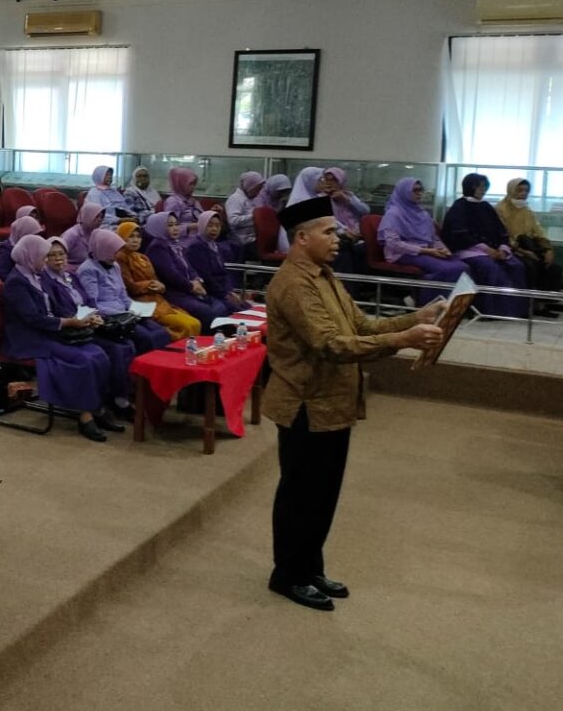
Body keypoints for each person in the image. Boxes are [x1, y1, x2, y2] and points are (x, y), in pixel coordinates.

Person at [263, 196, 444, 611]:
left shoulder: (324, 276)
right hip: (306, 404)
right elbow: (330, 344)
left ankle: (309, 567)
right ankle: (286, 574)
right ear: (302, 237)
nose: (339, 237)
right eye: (329, 231)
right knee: (300, 495)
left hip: (333, 402)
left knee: (324, 494)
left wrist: (414, 320)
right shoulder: (292, 283)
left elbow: (361, 326)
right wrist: (403, 341)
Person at [1, 234, 121, 442]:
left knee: (98, 354)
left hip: (51, 330)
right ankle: (85, 416)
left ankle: (97, 407)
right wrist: (67, 323)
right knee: (82, 360)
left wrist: (80, 318)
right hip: (30, 337)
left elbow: (55, 307)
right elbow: (32, 319)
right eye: (43, 256)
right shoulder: (16, 282)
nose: (45, 260)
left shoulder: (35, 276)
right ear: (30, 256)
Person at [43, 236, 136, 417]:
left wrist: (94, 315)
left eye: (61, 254)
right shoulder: (46, 281)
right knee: (115, 348)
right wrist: (87, 317)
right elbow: (60, 310)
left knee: (128, 344)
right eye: (51, 255)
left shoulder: (70, 275)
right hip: (72, 330)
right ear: (43, 258)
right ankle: (114, 401)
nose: (58, 258)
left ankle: (120, 395)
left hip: (88, 323)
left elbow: (87, 300)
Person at [442, 173, 529, 318]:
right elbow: (460, 235)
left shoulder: (486, 206)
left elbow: (501, 231)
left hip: (493, 250)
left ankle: (516, 310)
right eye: (480, 187)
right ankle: (490, 311)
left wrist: (502, 247)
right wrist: (486, 249)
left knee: (517, 266)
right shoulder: (459, 207)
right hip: (468, 250)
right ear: (470, 187)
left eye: (485, 187)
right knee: (490, 268)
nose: (483, 190)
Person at [76, 229, 174, 353]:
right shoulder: (88, 270)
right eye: (113, 251)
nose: (116, 255)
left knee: (161, 332)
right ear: (104, 249)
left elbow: (123, 294)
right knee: (146, 338)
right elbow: (92, 303)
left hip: (125, 311)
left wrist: (135, 309)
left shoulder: (114, 265)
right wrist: (122, 312)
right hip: (109, 316)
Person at [114, 221, 200, 341]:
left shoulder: (142, 257)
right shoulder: (119, 258)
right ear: (121, 237)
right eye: (131, 236)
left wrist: (161, 286)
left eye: (138, 237)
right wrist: (151, 285)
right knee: (186, 326)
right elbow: (129, 286)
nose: (135, 240)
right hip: (141, 303)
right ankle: (175, 354)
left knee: (195, 323)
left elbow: (155, 279)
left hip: (158, 300)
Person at [377, 178, 467, 290]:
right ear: (404, 192)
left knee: (463, 267)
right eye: (415, 190)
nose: (419, 193)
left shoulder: (422, 213)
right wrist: (426, 251)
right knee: (447, 269)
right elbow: (393, 244)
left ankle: (447, 302)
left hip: (426, 251)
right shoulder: (393, 214)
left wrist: (443, 249)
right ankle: (425, 301)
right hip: (403, 254)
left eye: (421, 190)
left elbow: (433, 238)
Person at [145, 212, 228, 332]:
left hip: (189, 290)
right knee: (207, 311)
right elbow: (171, 275)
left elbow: (189, 268)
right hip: (174, 293)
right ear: (159, 227)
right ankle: (206, 344)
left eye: (176, 224)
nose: (175, 228)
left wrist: (197, 280)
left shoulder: (177, 245)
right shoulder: (157, 247)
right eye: (170, 225)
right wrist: (191, 287)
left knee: (220, 306)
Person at [496, 178, 563, 294]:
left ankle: (543, 303)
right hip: (511, 249)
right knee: (531, 266)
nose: (523, 194)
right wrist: (522, 251)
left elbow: (538, 231)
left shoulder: (527, 211)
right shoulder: (500, 210)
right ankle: (531, 304)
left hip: (529, 247)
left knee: (554, 267)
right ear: (511, 191)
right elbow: (502, 234)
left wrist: (548, 249)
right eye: (520, 190)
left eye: (526, 191)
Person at [184, 212, 252, 312]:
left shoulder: (215, 245)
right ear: (202, 225)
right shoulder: (196, 247)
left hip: (222, 290)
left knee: (247, 307)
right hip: (208, 291)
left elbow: (223, 273)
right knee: (236, 309)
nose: (214, 229)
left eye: (217, 226)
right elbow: (206, 277)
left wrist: (230, 291)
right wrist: (225, 294)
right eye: (210, 225)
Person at [224, 171, 266, 254]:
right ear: (249, 187)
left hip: (253, 238)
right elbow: (233, 221)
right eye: (256, 189)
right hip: (242, 242)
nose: (258, 193)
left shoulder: (252, 199)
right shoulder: (236, 199)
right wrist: (255, 216)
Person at [0, 215, 43, 280]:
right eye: (33, 235)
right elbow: (3, 275)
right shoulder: (5, 250)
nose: (35, 238)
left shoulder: (32, 247)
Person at [61, 202, 104, 269]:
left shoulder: (97, 233)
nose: (100, 220)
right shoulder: (72, 235)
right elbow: (59, 258)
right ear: (87, 216)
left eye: (101, 217)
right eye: (96, 216)